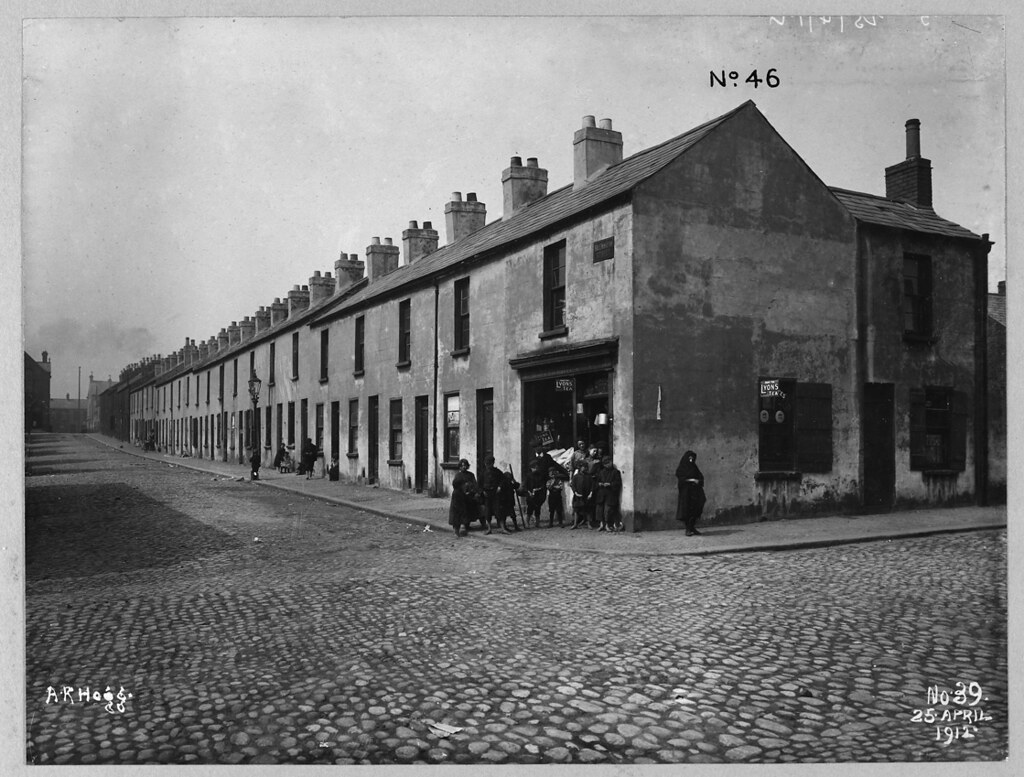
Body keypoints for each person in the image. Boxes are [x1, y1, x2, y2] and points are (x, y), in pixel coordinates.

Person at [675, 449, 706, 536]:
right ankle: (688, 529)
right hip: (686, 493)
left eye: (692, 458)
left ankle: (692, 526)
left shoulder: (694, 467)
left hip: (695, 492)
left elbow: (700, 476)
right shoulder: (682, 468)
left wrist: (698, 481)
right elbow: (681, 479)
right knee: (687, 510)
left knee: (697, 507)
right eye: (690, 458)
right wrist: (692, 480)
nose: (691, 460)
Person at [451, 458, 485, 533]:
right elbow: (455, 486)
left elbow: (475, 484)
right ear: (460, 467)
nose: (464, 467)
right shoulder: (458, 476)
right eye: (462, 466)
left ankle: (481, 524)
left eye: (465, 465)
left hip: (470, 495)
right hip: (461, 497)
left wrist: (476, 492)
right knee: (462, 509)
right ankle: (462, 526)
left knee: (479, 505)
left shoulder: (471, 475)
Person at [594, 454, 624, 532]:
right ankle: (601, 524)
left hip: (610, 494)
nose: (607, 465)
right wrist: (599, 484)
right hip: (601, 493)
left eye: (609, 462)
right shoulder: (601, 472)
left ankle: (607, 525)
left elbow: (618, 483)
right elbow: (596, 482)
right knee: (599, 509)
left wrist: (610, 484)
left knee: (608, 510)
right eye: (605, 464)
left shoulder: (615, 472)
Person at [479, 456, 503, 534]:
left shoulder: (497, 472)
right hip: (487, 494)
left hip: (496, 493)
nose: (488, 466)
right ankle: (489, 528)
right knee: (488, 511)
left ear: (493, 463)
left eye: (490, 464)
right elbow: (479, 484)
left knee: (498, 510)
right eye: (487, 464)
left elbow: (503, 480)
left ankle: (503, 528)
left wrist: (500, 486)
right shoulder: (483, 473)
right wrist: (482, 491)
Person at [569, 461, 594, 530]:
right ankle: (575, 524)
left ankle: (589, 523)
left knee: (588, 510)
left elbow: (592, 485)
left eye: (586, 467)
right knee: (576, 510)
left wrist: (590, 493)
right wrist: (575, 492)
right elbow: (573, 485)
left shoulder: (589, 476)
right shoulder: (576, 477)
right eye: (583, 467)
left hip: (586, 495)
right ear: (580, 468)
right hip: (578, 496)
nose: (584, 468)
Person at [495, 467, 521, 533]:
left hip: (510, 501)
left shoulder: (510, 483)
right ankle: (504, 528)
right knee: (503, 516)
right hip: (504, 501)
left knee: (513, 515)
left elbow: (517, 485)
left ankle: (516, 526)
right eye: (509, 477)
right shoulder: (503, 483)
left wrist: (514, 481)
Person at [524, 459, 547, 529]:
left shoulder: (541, 476)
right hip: (531, 495)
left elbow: (543, 485)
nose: (536, 469)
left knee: (538, 509)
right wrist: (529, 492)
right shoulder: (529, 476)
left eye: (537, 467)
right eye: (535, 467)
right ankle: (527, 523)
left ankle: (537, 523)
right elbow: (525, 486)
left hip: (538, 495)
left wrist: (539, 489)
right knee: (529, 510)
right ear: (532, 468)